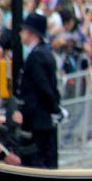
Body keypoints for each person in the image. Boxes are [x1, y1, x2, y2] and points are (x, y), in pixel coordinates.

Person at [19, 13, 64, 168]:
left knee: (39, 163)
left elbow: (43, 86)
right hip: (44, 116)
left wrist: (54, 109)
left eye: (24, 30)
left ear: (32, 33)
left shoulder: (36, 56)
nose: (21, 34)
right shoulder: (45, 53)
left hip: (38, 118)